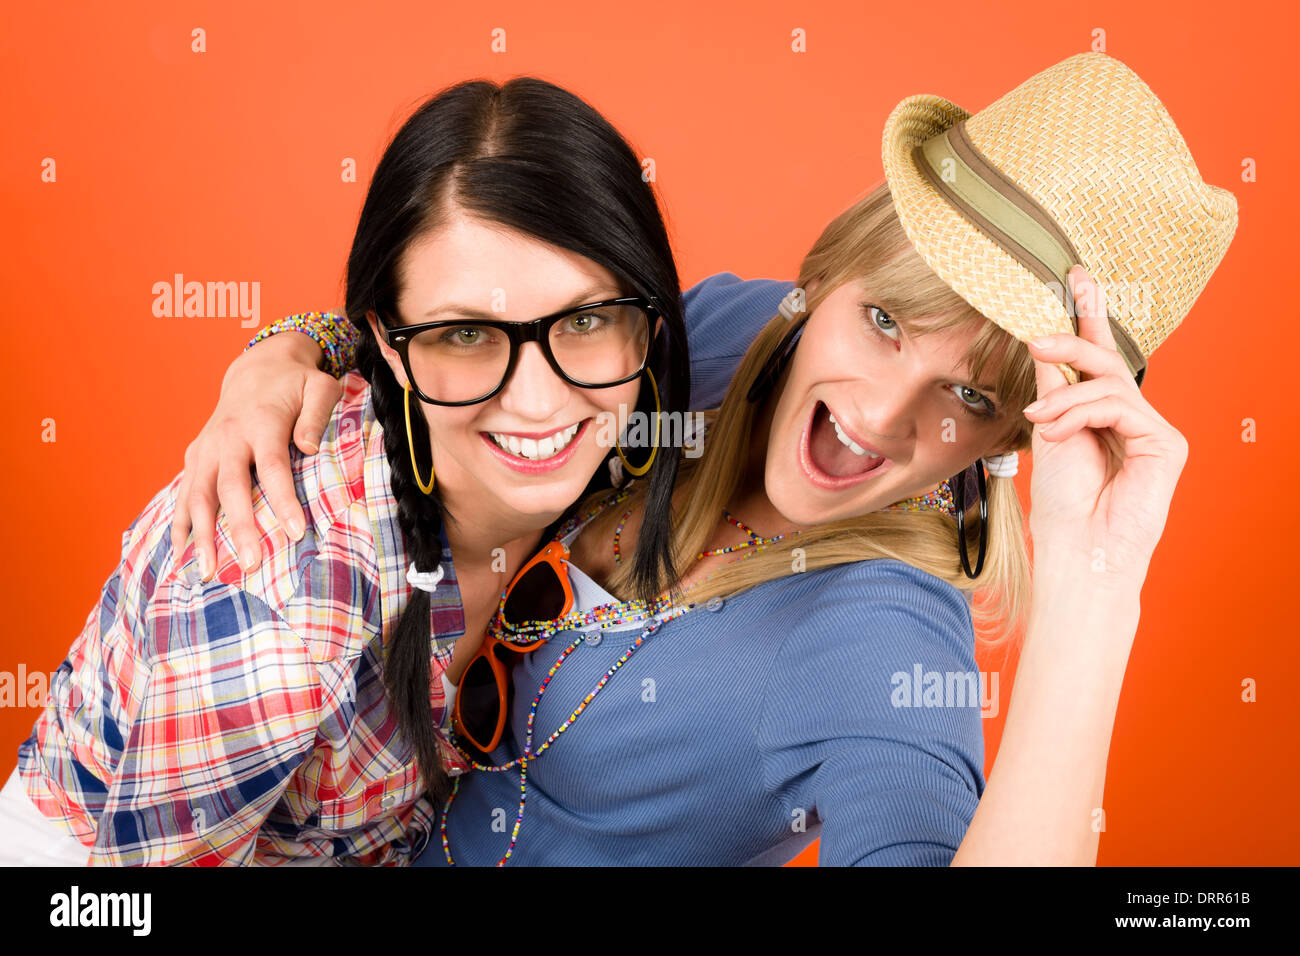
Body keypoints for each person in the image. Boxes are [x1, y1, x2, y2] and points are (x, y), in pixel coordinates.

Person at [164, 53, 1237, 865]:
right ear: (822, 274)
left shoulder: (882, 639)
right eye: (883, 321)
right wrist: (293, 350)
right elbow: (480, 333)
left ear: (1013, 438)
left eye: (971, 398)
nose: (877, 411)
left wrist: (1095, 592)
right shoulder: (723, 333)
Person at [6, 76, 695, 865]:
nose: (538, 402)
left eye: (584, 319)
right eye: (467, 333)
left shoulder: (638, 421)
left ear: (647, 326)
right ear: (390, 345)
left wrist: (290, 344)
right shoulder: (287, 605)